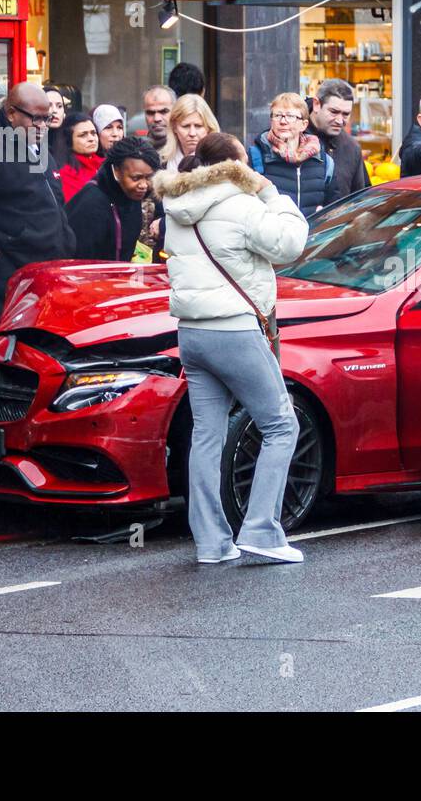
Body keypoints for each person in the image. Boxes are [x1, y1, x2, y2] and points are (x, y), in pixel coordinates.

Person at [153, 131, 310, 564]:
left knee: (206, 435)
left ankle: (212, 542)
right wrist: (273, 194)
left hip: (192, 332)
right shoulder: (241, 204)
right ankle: (261, 528)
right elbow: (290, 244)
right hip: (235, 331)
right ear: (235, 166)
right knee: (281, 425)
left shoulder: (179, 209)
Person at [0, 81, 76, 330]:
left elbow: (53, 200)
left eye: (47, 118)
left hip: (47, 267)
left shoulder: (40, 148)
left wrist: (66, 239)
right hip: (8, 273)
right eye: (36, 119)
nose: (42, 126)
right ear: (11, 114)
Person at [66, 136, 163, 261]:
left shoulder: (131, 196)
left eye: (149, 178)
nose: (143, 185)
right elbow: (80, 260)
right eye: (135, 178)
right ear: (116, 171)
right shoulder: (91, 204)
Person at [248, 92, 335, 218]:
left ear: (303, 125)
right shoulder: (256, 156)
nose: (283, 121)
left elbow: (333, 206)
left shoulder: (324, 161)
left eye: (290, 116)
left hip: (312, 235)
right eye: (277, 115)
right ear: (271, 121)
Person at [308, 79, 368, 205]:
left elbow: (361, 199)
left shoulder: (352, 148)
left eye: (346, 114)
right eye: (334, 112)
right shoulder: (291, 135)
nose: (340, 121)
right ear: (316, 104)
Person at [161, 93, 221, 169]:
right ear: (174, 127)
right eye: (185, 126)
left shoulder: (221, 162)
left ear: (209, 128)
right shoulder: (162, 163)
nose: (192, 133)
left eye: (198, 126)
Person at [56, 112, 103, 202]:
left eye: (93, 133)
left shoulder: (106, 164)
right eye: (83, 135)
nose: (91, 139)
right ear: (68, 140)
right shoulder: (65, 173)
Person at [143, 84, 175, 151]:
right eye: (150, 113)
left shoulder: (186, 149)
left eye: (163, 112)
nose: (157, 118)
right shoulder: (138, 152)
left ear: (175, 111)